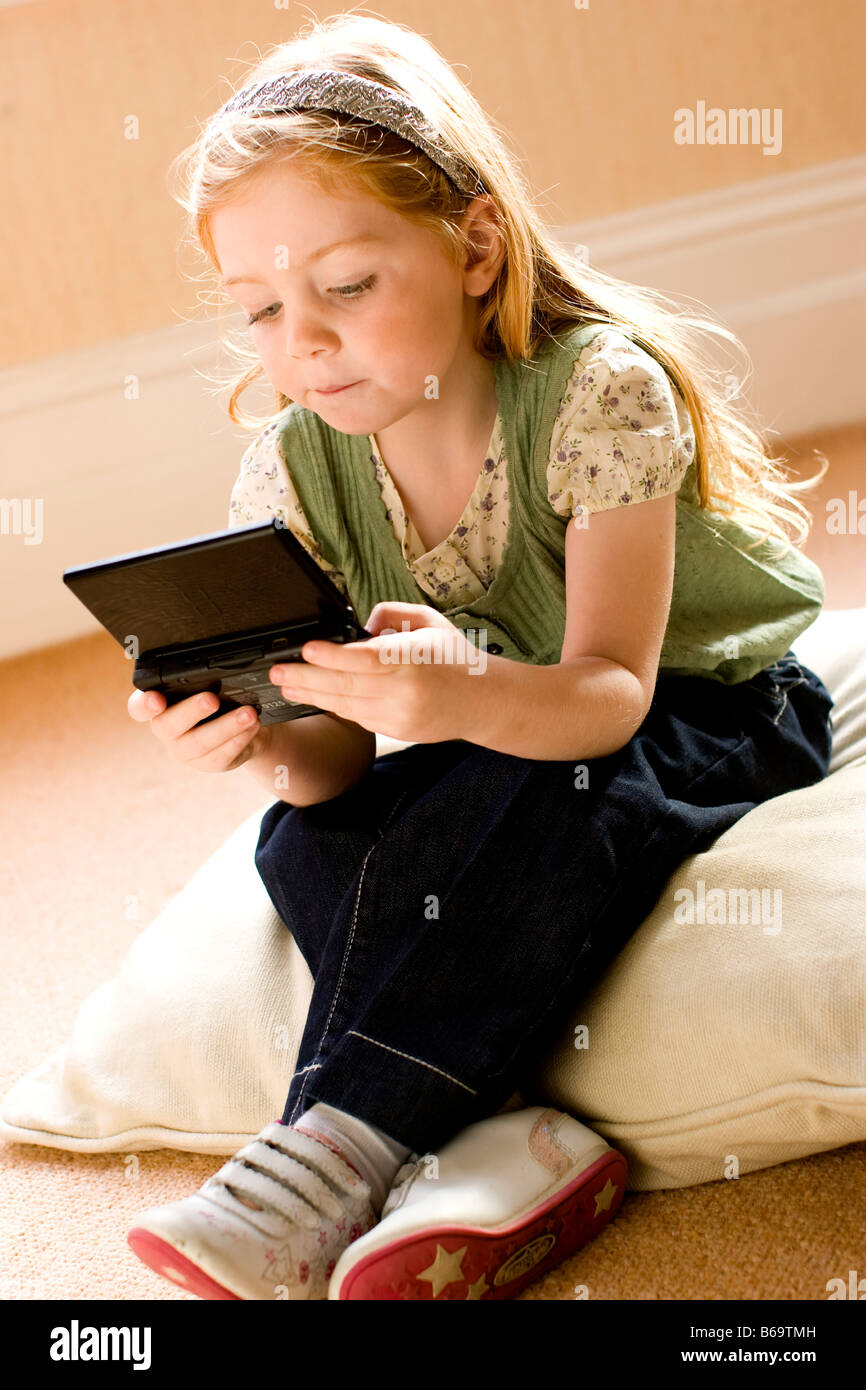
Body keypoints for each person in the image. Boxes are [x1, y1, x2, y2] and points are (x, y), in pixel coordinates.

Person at [125, 13, 835, 1302]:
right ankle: (491, 1151)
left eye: (346, 287)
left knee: (558, 792)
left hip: (697, 703)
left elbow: (611, 698)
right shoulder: (293, 468)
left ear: (472, 243)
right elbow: (336, 775)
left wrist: (458, 696)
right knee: (303, 840)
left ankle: (328, 1152)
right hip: (508, 720)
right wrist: (265, 740)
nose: (305, 342)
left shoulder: (595, 389)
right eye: (262, 309)